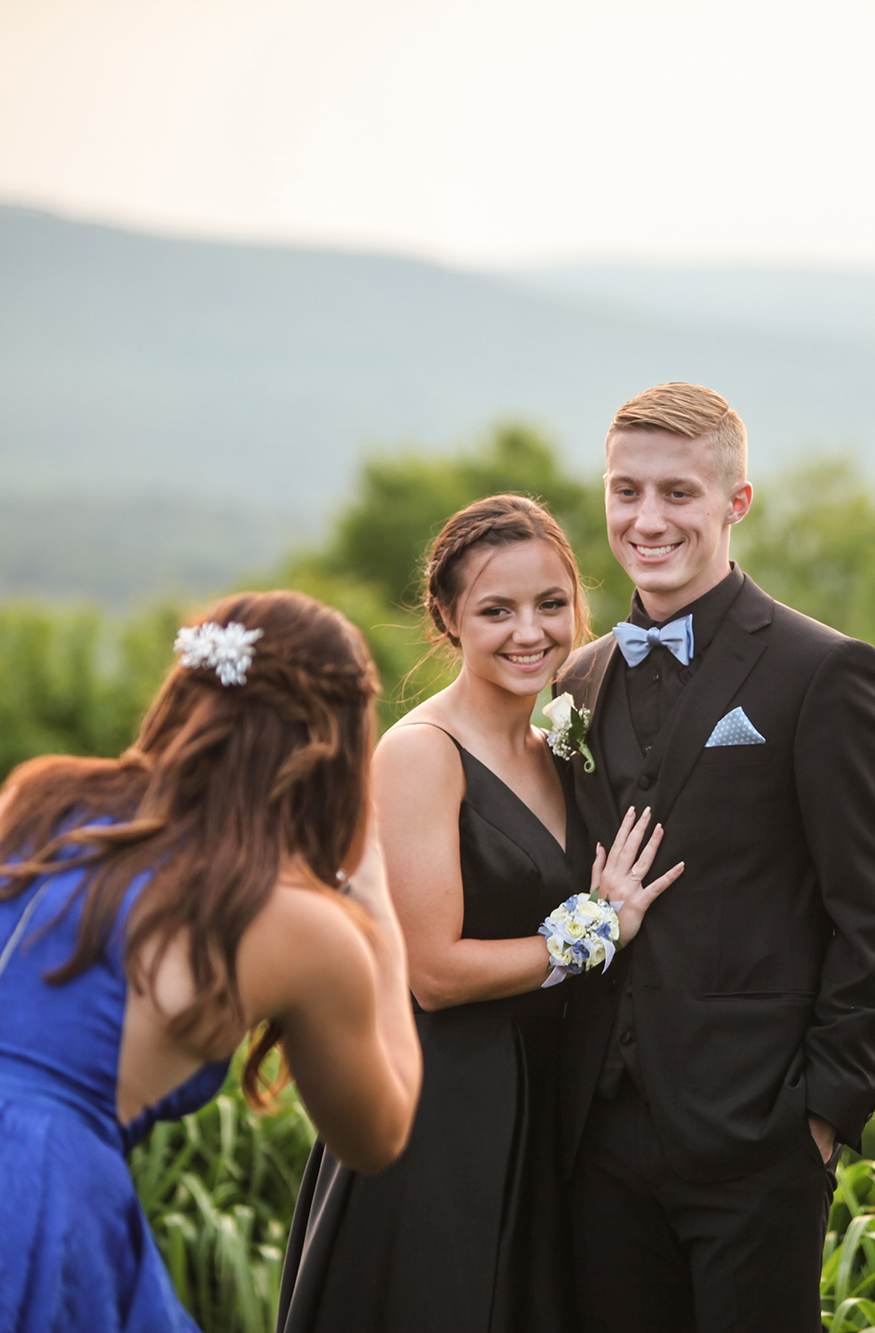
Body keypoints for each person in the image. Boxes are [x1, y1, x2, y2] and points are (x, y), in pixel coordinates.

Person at [0, 590, 422, 1333]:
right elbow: (380, 1131)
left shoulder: (33, 799)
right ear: (335, 749)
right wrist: (375, 910)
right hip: (18, 1200)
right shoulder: (290, 915)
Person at [548, 382, 875, 1333]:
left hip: (759, 1141)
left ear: (734, 503)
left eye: (678, 493)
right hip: (600, 1138)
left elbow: (874, 913)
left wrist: (822, 1116)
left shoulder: (822, 671)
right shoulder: (578, 678)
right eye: (626, 491)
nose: (647, 518)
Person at [278, 494, 681, 1332]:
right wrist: (598, 930)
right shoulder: (422, 754)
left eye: (551, 604)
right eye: (496, 610)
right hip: (448, 1116)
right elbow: (434, 972)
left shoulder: (556, 749)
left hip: (548, 1099)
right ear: (447, 617)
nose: (529, 632)